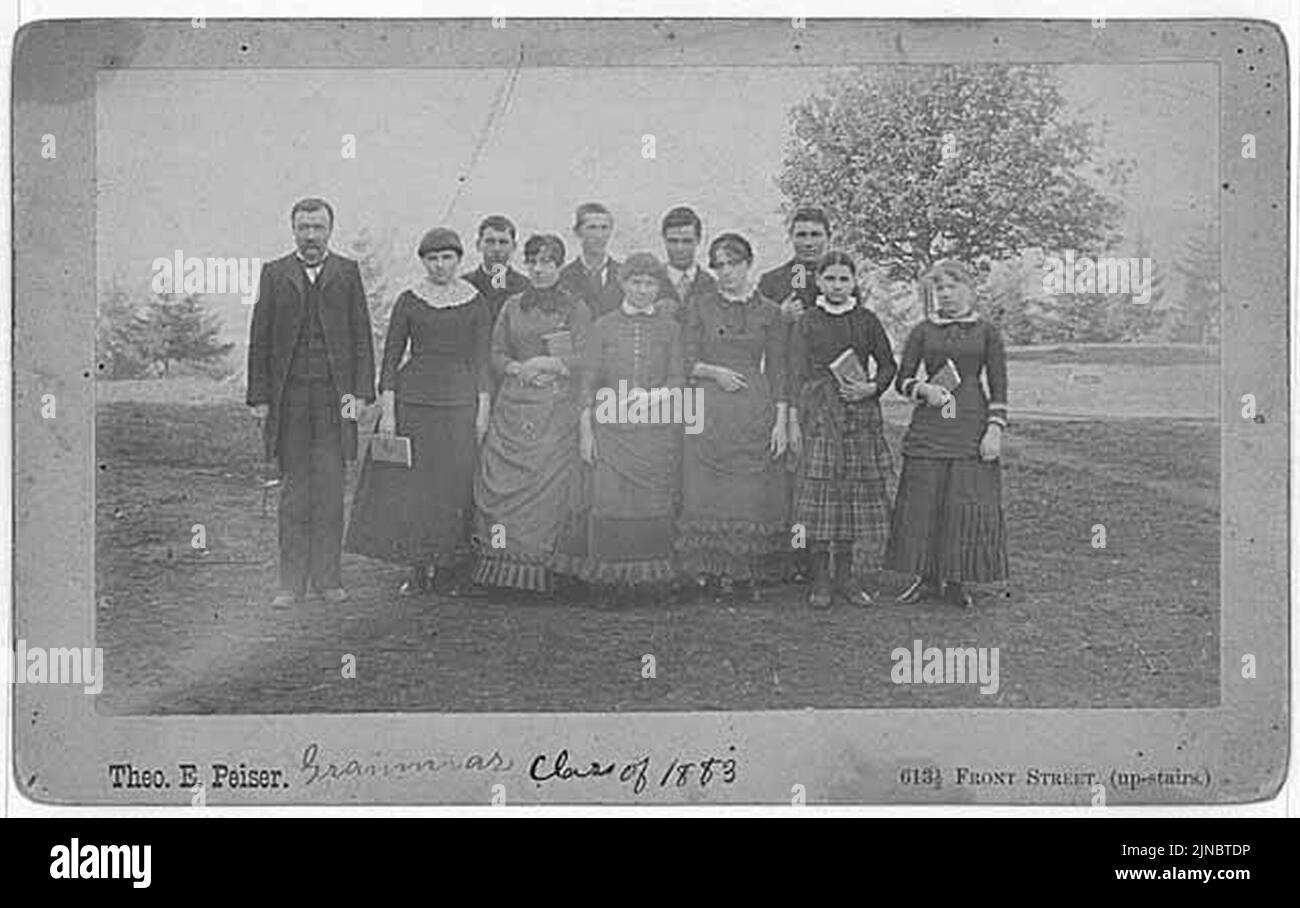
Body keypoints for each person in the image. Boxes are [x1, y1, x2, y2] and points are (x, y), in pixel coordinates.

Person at [344, 228, 493, 595]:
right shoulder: (410, 301)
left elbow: (482, 363)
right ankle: (417, 567)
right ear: (423, 261)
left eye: (447, 257)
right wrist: (390, 413)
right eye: (432, 258)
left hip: (458, 405)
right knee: (415, 489)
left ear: (459, 259)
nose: (440, 266)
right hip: (414, 404)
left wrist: (482, 411)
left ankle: (449, 569)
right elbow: (392, 360)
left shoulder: (475, 302)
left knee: (453, 488)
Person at [246, 197, 375, 607]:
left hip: (337, 400)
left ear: (330, 230)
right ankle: (290, 584)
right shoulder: (274, 274)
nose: (311, 236)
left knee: (332, 489)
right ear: (293, 230)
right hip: (290, 401)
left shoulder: (347, 273)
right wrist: (260, 397)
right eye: (304, 228)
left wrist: (360, 395)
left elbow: (361, 337)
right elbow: (260, 339)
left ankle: (328, 580)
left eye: (318, 228)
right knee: (295, 491)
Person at [886, 258, 1010, 609]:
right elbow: (902, 379)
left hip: (970, 422)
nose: (946, 295)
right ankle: (925, 579)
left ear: (970, 290)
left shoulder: (987, 332)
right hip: (930, 424)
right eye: (939, 288)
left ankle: (956, 581)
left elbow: (999, 385)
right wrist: (922, 390)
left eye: (953, 287)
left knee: (962, 502)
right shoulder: (923, 331)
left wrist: (994, 430)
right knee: (924, 502)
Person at [473, 233, 592, 593]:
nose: (539, 270)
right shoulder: (512, 305)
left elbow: (588, 358)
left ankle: (542, 573)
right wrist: (514, 368)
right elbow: (494, 353)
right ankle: (499, 570)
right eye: (533, 262)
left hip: (554, 410)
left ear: (559, 265)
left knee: (547, 490)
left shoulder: (576, 307)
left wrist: (551, 362)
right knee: (500, 485)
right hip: (513, 406)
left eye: (547, 263)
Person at [676, 232, 790, 600]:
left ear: (748, 264)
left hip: (753, 405)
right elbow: (683, 360)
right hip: (706, 405)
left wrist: (781, 419)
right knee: (706, 490)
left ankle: (743, 576)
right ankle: (708, 574)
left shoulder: (769, 312)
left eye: (733, 264)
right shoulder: (699, 306)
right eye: (719, 265)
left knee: (746, 493)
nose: (726, 272)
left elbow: (779, 370)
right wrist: (714, 372)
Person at [788, 252, 898, 609]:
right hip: (820, 415)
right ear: (818, 281)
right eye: (830, 278)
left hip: (858, 414)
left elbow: (887, 365)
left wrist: (871, 388)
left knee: (849, 497)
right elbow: (795, 372)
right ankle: (820, 579)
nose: (837, 286)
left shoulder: (866, 320)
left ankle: (846, 578)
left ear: (853, 282)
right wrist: (798, 415)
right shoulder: (807, 322)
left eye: (843, 279)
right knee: (822, 498)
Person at [578, 252, 685, 606]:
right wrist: (586, 430)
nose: (643, 290)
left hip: (655, 429)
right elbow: (588, 380)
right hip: (610, 427)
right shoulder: (603, 325)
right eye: (636, 282)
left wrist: (652, 397)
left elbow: (677, 379)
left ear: (659, 286)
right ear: (623, 283)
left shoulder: (670, 329)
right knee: (611, 501)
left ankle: (648, 583)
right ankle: (609, 584)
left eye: (650, 283)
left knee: (651, 503)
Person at [757, 205, 834, 323]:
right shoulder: (771, 282)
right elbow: (755, 333)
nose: (808, 243)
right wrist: (780, 317)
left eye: (815, 235)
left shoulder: (843, 280)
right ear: (791, 237)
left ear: (829, 237)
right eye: (801, 235)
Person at [461, 214, 531, 326]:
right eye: (490, 242)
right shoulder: (463, 286)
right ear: (478, 245)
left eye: (503, 242)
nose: (496, 249)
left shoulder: (525, 287)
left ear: (514, 247)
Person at [559, 202, 624, 320]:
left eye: (604, 228)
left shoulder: (624, 275)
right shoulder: (563, 277)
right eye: (592, 227)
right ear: (577, 232)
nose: (599, 235)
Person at [657, 205, 716, 322]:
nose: (680, 248)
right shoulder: (649, 282)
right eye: (673, 241)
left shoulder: (712, 285)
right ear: (664, 239)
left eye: (687, 241)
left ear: (698, 240)